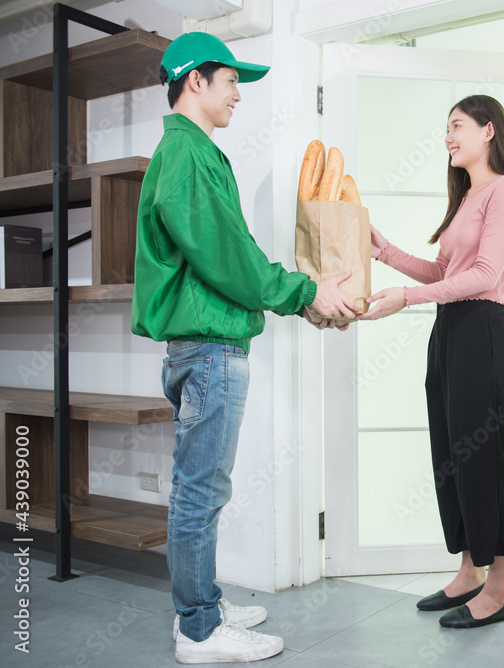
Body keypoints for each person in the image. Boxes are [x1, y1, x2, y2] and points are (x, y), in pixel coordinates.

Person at [130, 32, 354, 664]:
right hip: (206, 347)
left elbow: (233, 250)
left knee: (204, 486)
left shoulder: (192, 152)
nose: (237, 94)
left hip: (208, 342)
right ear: (194, 80)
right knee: (200, 491)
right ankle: (198, 629)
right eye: (230, 80)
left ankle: (203, 602)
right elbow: (225, 257)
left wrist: (299, 291)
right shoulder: (186, 156)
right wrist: (302, 292)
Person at [360, 94, 504, 628]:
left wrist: (401, 300)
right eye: (446, 129)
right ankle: (468, 572)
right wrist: (384, 251)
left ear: (489, 131)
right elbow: (442, 272)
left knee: (485, 459)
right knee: (451, 454)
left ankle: (500, 588)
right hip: (450, 332)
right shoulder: (467, 196)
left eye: (457, 126)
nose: (448, 137)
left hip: (482, 330)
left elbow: (482, 275)